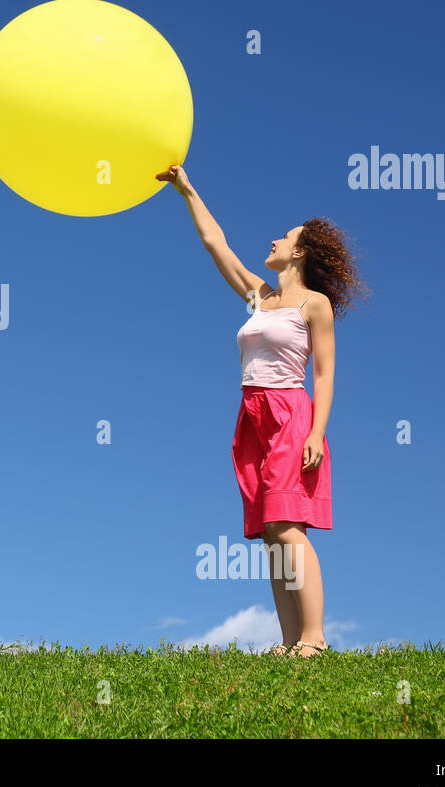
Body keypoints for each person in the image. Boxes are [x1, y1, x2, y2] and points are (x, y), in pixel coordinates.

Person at [157, 163, 369, 657]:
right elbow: (217, 245)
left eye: (285, 236)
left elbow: (324, 373)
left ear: (301, 253)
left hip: (290, 414)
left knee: (287, 525)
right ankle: (289, 640)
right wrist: (187, 191)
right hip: (250, 415)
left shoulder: (314, 305)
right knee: (270, 534)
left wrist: (317, 432)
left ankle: (314, 639)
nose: (273, 240)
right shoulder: (261, 297)